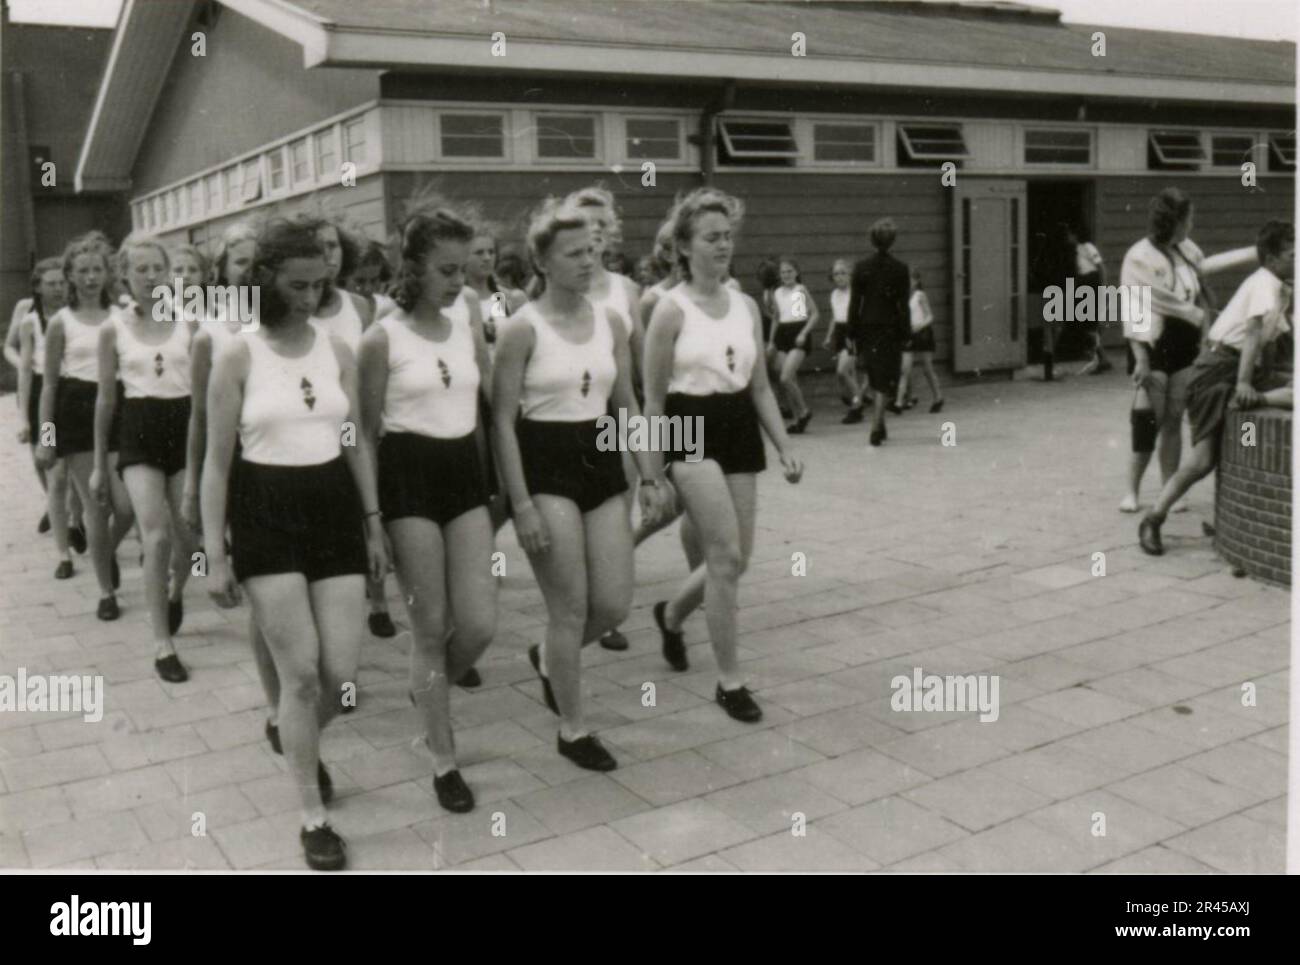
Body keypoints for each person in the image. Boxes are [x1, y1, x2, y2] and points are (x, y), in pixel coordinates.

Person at [201, 218, 386, 871]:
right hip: (265, 514)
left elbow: (355, 437)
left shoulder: (337, 350)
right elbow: (216, 463)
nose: (309, 298)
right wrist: (216, 553)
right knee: (302, 674)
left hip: (334, 510)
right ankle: (313, 815)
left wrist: (372, 520)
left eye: (318, 285)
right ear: (264, 280)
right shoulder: (237, 353)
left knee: (340, 678)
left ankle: (289, 728)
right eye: (296, 284)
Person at [492, 198, 667, 772]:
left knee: (612, 604)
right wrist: (520, 505)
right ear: (542, 261)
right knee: (569, 609)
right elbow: (500, 422)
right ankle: (573, 728)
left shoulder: (613, 321)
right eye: (573, 253)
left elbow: (627, 403)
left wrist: (648, 472)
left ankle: (547, 658)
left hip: (600, 457)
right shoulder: (522, 329)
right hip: (546, 464)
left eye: (592, 250)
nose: (588, 261)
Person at [643, 187, 803, 723]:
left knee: (737, 559)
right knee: (724, 556)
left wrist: (784, 446)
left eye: (727, 236)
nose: (722, 246)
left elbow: (759, 387)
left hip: (737, 424)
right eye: (711, 238)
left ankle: (671, 613)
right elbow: (654, 399)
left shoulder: (747, 306)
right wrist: (650, 470)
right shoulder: (669, 310)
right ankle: (730, 680)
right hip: (688, 426)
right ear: (684, 247)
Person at [358, 207, 497, 812]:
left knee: (480, 625)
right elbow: (361, 433)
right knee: (429, 625)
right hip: (407, 479)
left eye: (463, 269)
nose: (457, 281)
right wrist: (370, 520)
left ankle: (428, 689)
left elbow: (488, 402)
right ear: (411, 266)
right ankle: (442, 757)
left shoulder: (467, 320)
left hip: (463, 474)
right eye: (445, 269)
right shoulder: (381, 337)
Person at [1140, 220, 1294, 555]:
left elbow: (1281, 340)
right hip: (1217, 370)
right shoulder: (1265, 283)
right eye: (1292, 254)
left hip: (1240, 367)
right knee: (1202, 460)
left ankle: (1253, 400)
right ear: (1270, 258)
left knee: (1281, 402)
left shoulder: (1281, 287)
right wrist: (1242, 382)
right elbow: (1253, 332)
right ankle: (1153, 518)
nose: (1297, 260)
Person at [94, 237, 196, 682]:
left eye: (158, 267)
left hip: (184, 426)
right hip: (138, 430)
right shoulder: (112, 329)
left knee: (190, 538)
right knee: (154, 536)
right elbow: (105, 400)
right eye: (141, 269)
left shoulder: (191, 321)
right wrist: (100, 463)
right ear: (125, 276)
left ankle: (175, 591)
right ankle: (162, 644)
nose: (151, 276)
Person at [302, 215, 397, 642]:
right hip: (311, 428)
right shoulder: (294, 307)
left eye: (334, 246)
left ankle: (378, 598)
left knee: (368, 505)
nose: (328, 254)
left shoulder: (361, 306)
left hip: (355, 427)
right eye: (319, 246)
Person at [564, 186, 647, 654]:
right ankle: (576, 606)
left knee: (620, 509)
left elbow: (640, 366)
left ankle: (608, 610)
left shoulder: (626, 289)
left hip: (618, 418)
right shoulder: (555, 285)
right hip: (572, 420)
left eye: (601, 223)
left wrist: (650, 440)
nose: (593, 231)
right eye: (583, 222)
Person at [36, 235, 135, 620]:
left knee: (126, 507)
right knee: (95, 505)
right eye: (83, 271)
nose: (91, 277)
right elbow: (48, 384)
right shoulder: (60, 322)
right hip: (76, 413)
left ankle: (103, 551)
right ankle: (106, 591)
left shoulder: (124, 313)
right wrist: (47, 439)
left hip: (121, 408)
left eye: (97, 269)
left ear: (108, 272)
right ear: (70, 276)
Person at [1119, 189, 1210, 514]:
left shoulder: (1188, 250)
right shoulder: (1138, 257)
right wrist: (1141, 356)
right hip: (1151, 343)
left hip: (1184, 342)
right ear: (1175, 222)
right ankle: (1131, 490)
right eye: (1189, 219)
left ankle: (1170, 489)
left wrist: (1204, 332)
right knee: (1147, 421)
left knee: (1174, 419)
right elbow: (1134, 308)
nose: (1192, 224)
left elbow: (1200, 290)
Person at [16, 258, 84, 570]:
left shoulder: (79, 315)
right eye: (51, 283)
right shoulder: (31, 322)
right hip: (48, 404)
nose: (58, 288)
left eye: (62, 282)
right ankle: (62, 554)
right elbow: (27, 371)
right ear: (38, 288)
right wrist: (23, 418)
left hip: (77, 399)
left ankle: (76, 520)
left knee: (80, 475)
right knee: (56, 477)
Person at [846, 218, 910, 446]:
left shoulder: (862, 267)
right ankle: (876, 425)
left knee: (875, 374)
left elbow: (855, 303)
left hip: (868, 327)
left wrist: (851, 332)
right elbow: (903, 305)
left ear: (872, 240)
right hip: (891, 327)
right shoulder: (900, 269)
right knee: (885, 376)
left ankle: (879, 424)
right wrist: (906, 334)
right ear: (892, 241)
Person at [767, 257, 817, 433]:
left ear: (796, 272)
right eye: (783, 272)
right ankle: (797, 419)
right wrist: (772, 342)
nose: (786, 275)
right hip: (783, 335)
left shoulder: (799, 290)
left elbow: (814, 314)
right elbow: (776, 317)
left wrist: (804, 333)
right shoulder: (778, 292)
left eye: (789, 271)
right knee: (788, 380)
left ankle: (804, 411)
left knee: (786, 377)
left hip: (798, 334)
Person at [894, 266, 944, 414]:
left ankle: (938, 397)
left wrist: (920, 326)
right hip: (908, 334)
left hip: (922, 333)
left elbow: (930, 316)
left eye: (909, 280)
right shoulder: (901, 298)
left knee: (927, 368)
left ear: (916, 281)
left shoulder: (920, 295)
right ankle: (898, 402)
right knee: (904, 369)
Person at [823, 258, 865, 421]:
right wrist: (829, 336)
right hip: (840, 332)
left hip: (853, 332)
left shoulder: (855, 293)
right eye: (836, 274)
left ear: (850, 275)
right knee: (849, 372)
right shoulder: (834, 294)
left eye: (843, 273)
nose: (839, 277)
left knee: (841, 371)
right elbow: (835, 317)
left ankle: (858, 404)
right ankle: (856, 404)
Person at [1068, 225, 1111, 375]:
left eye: (1070, 234)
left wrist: (1104, 285)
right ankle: (1100, 356)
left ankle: (1101, 357)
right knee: (1085, 321)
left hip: (1091, 282)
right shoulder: (1076, 249)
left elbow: (1100, 266)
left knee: (1090, 322)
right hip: (1083, 282)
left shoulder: (1087, 247)